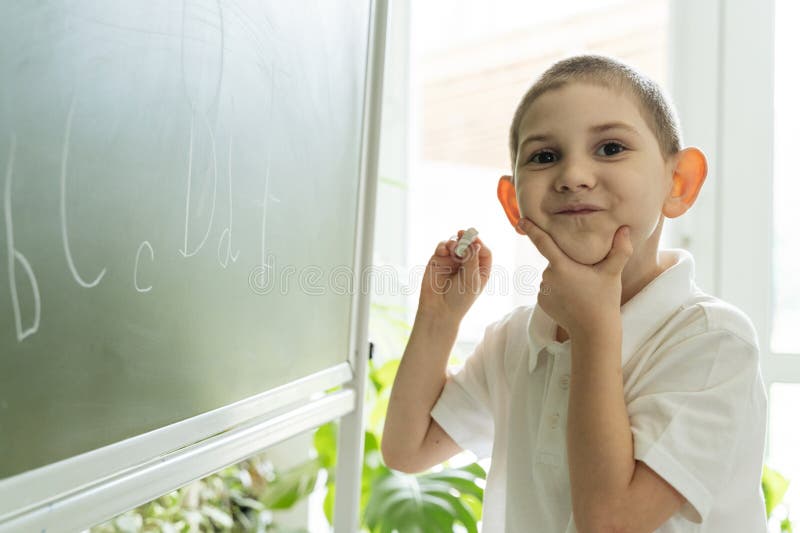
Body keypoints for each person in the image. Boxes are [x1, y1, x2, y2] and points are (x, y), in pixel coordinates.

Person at [381, 54, 768, 532]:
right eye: (545, 156)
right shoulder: (515, 339)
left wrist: (594, 328)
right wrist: (440, 318)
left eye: (610, 148)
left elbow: (608, 524)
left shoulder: (713, 342)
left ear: (679, 182)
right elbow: (408, 448)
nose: (574, 176)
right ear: (512, 202)